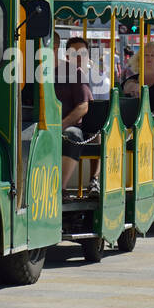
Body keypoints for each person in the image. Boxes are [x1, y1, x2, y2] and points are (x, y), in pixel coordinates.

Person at [56, 34, 95, 193]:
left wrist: (61, 125)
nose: (78, 57)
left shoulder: (78, 74)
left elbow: (83, 107)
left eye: (82, 53)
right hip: (46, 123)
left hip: (76, 126)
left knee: (72, 135)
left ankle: (62, 188)